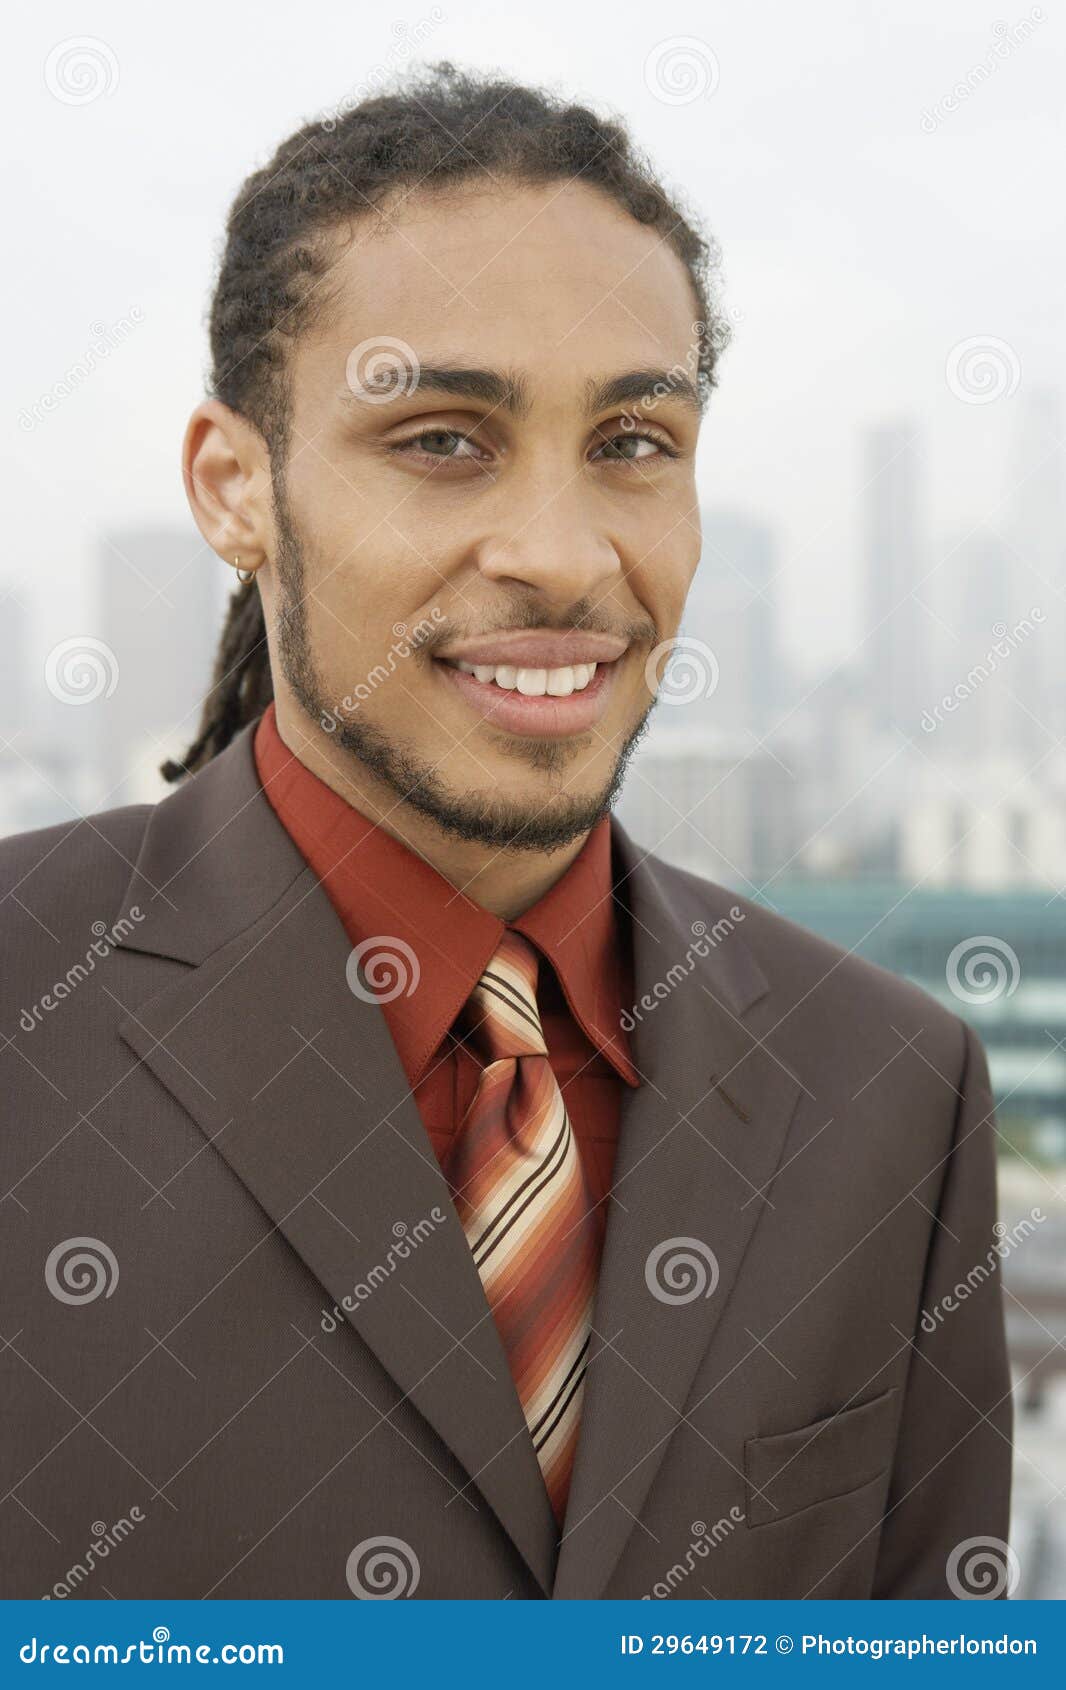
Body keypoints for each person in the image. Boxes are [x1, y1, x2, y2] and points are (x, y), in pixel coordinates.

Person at [0, 64, 1010, 1601]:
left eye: (631, 442)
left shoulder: (889, 1088)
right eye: (442, 440)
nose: (559, 554)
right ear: (233, 487)